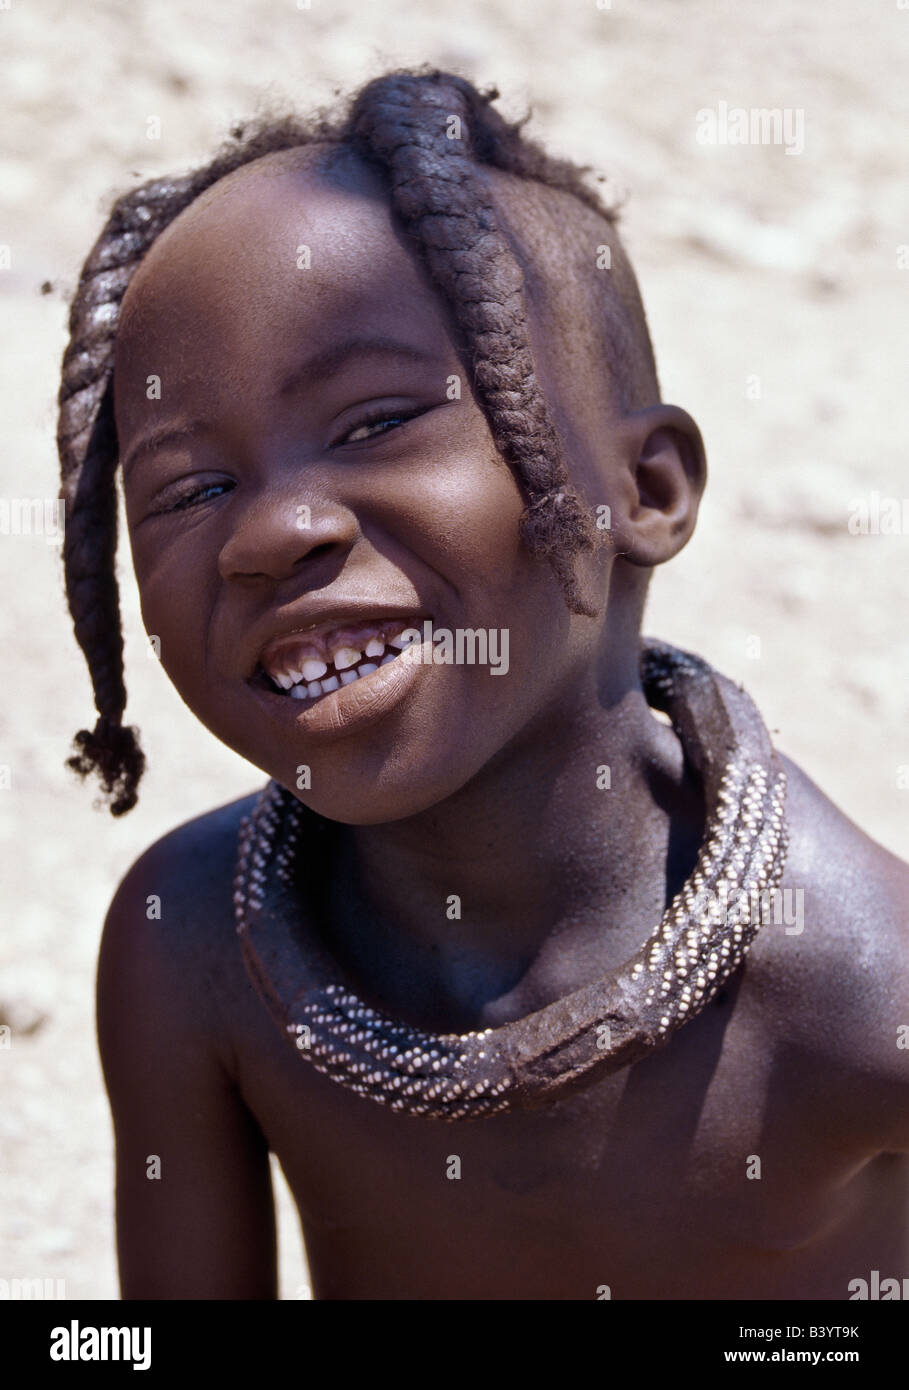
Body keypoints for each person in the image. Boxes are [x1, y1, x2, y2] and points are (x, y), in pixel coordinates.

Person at [57, 68, 909, 1299]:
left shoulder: (852, 983)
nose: (270, 532)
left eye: (374, 423)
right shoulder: (189, 944)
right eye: (190, 489)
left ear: (647, 492)